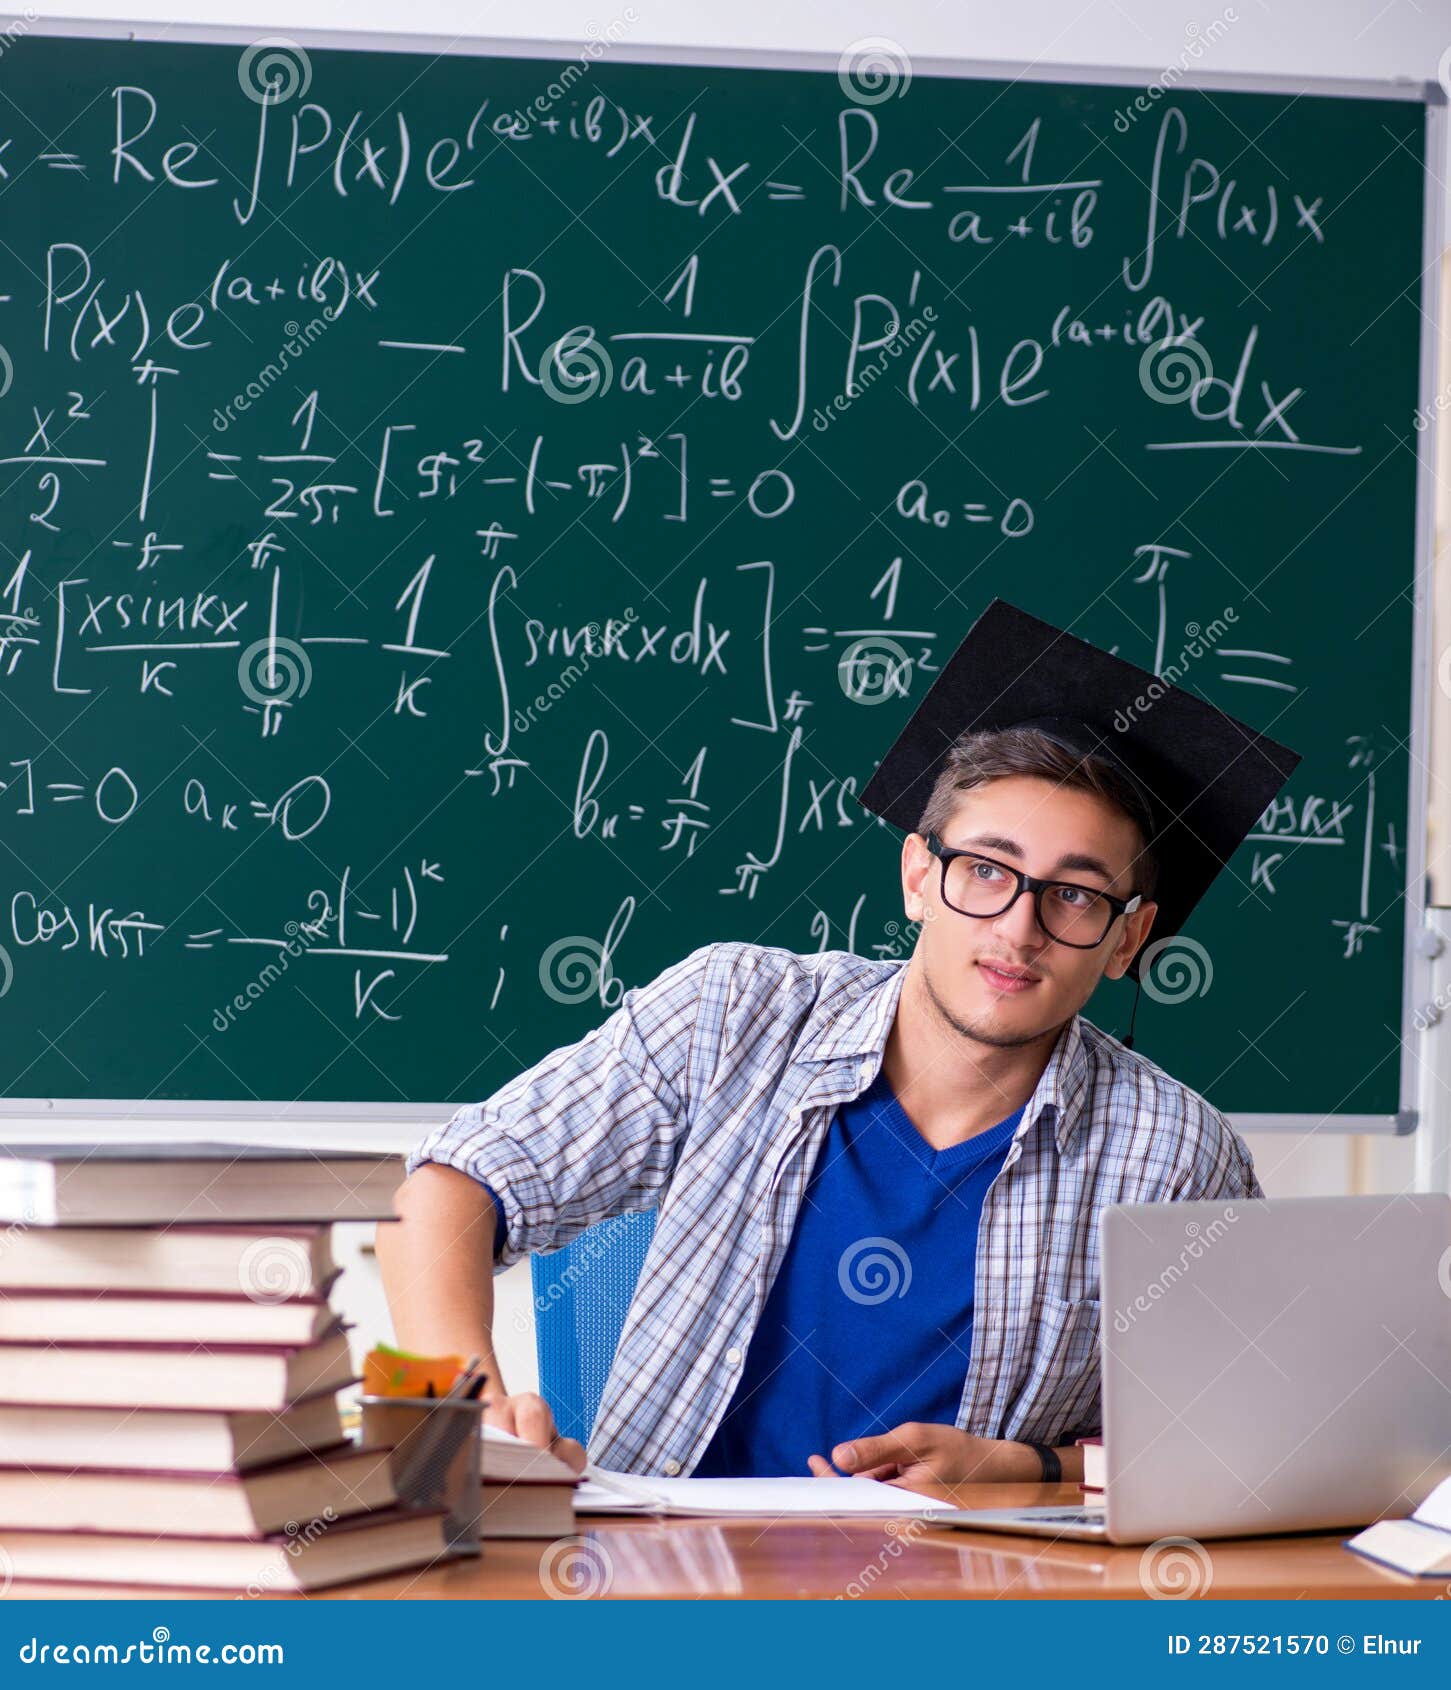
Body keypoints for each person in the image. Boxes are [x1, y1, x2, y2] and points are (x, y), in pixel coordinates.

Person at [377, 599, 1299, 1489]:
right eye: (985, 870)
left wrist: (1030, 1470)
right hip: (662, 1570)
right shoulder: (735, 1013)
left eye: (1074, 894)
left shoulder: (1175, 1156)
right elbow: (450, 1188)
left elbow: (1233, 1437)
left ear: (1126, 940)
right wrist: (455, 1403)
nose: (1018, 930)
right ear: (916, 876)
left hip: (975, 1595)